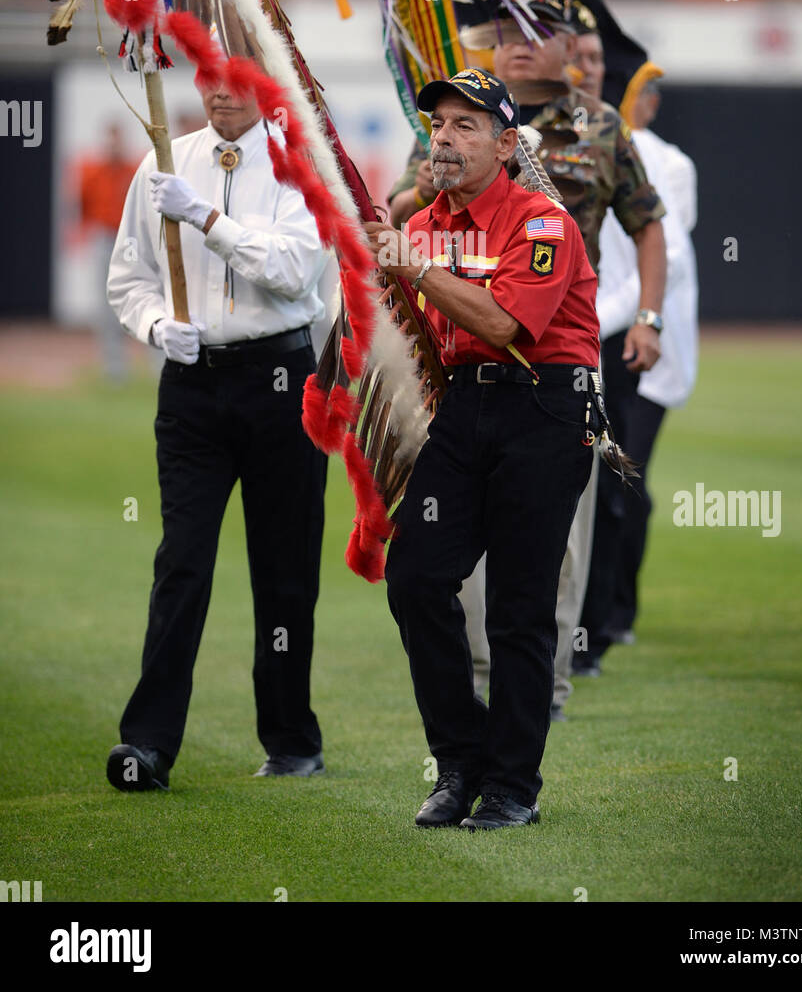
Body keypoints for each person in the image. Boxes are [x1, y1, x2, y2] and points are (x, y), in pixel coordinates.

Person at [365, 66, 601, 829]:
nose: (444, 138)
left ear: (505, 144)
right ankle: (460, 760)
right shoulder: (424, 226)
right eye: (437, 125)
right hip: (464, 411)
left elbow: (503, 324)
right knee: (414, 578)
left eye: (465, 126)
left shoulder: (541, 221)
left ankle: (510, 788)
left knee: (518, 607)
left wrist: (411, 265)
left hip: (544, 407)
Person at [105, 81, 329, 791]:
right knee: (183, 561)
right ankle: (148, 743)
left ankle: (291, 737)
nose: (223, 93)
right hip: (192, 386)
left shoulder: (298, 163)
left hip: (282, 381)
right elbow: (128, 277)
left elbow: (295, 274)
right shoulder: (162, 162)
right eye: (210, 77)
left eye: (237, 77)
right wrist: (153, 326)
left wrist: (204, 215)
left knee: (284, 567)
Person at [454, 0, 667, 715]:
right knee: (469, 525)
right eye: (504, 33)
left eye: (533, 34)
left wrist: (647, 317)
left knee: (562, 530)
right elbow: (398, 219)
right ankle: (483, 673)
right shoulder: (466, 115)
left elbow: (647, 224)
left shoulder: (598, 125)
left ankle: (546, 679)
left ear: (567, 47)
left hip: (562, 353)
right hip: (473, 348)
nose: (515, 45)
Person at [588, 81, 698, 653]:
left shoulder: (664, 162)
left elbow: (667, 252)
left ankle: (610, 614)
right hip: (584, 341)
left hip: (634, 342)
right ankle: (591, 615)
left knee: (624, 477)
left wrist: (607, 314)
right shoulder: (558, 137)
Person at [77, 121, 139, 382]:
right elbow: (84, 203)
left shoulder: (133, 168)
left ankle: (157, 362)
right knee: (106, 302)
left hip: (130, 237)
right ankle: (114, 368)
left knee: (141, 294)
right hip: (104, 235)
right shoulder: (94, 169)